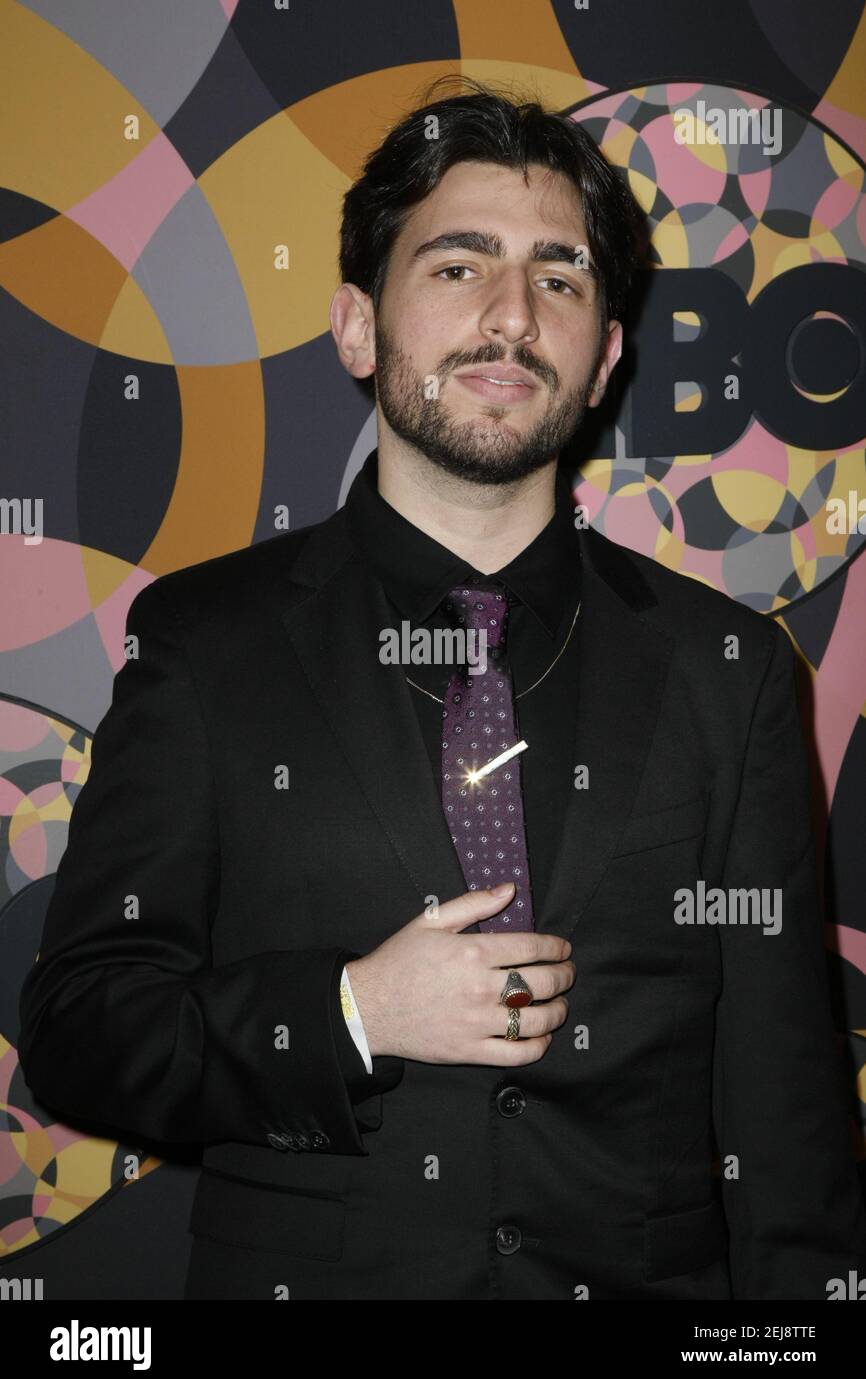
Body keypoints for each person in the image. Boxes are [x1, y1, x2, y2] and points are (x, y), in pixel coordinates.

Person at [18, 78, 866, 1300]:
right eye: (458, 266)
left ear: (605, 358)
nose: (512, 314)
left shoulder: (722, 668)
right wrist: (351, 1009)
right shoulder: (207, 645)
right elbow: (81, 1032)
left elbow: (781, 1118)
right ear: (358, 329)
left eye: (559, 278)